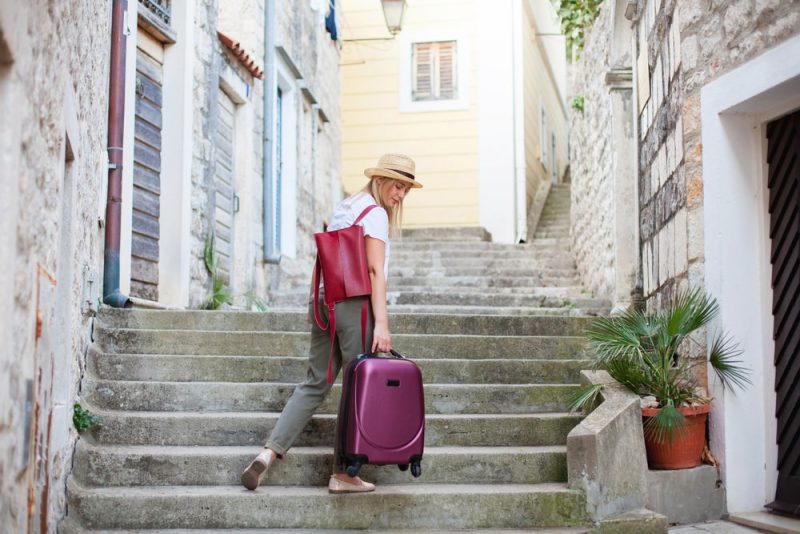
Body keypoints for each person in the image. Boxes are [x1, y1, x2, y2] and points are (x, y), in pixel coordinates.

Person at [241, 153, 422, 494]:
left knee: (315, 383)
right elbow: (373, 271)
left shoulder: (346, 207)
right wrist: (381, 325)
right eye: (398, 186)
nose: (401, 195)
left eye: (407, 190)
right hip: (356, 306)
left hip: (326, 300)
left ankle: (268, 453)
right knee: (358, 387)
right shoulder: (376, 214)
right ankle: (344, 473)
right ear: (380, 180)